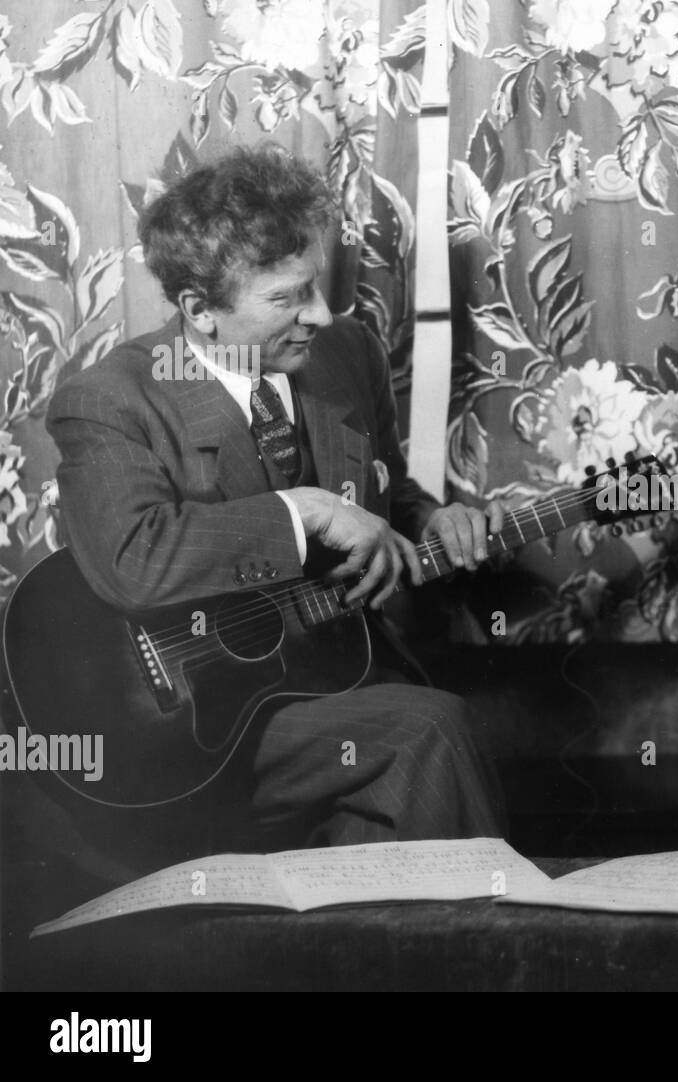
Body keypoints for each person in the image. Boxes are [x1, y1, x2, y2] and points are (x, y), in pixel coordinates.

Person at [41, 146, 506, 878]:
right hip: (199, 727)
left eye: (315, 286)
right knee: (428, 730)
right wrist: (306, 510)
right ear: (200, 312)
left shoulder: (347, 351)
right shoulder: (110, 400)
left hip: (344, 682)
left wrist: (430, 521)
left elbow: (385, 496)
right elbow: (134, 561)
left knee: (400, 787)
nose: (320, 314)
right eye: (287, 298)